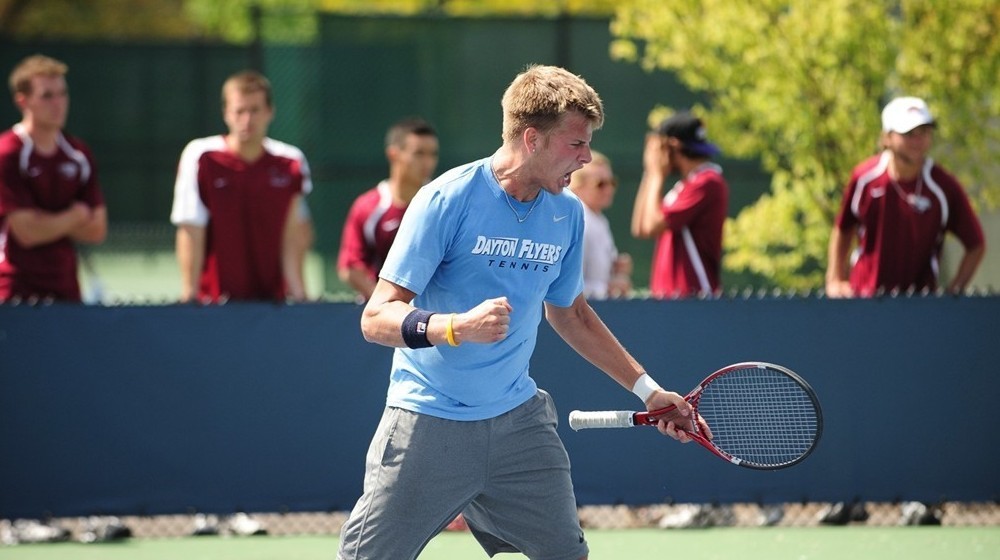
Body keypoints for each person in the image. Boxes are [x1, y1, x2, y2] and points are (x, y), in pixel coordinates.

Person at [337, 64, 704, 560]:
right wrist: (455, 327)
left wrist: (650, 391)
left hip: (518, 426)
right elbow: (375, 318)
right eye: (576, 144)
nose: (588, 157)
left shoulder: (567, 211)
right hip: (427, 422)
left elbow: (571, 314)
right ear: (532, 139)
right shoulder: (446, 199)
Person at [170, 69, 312, 303]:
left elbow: (294, 232)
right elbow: (190, 227)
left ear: (270, 112)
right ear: (226, 113)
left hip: (273, 304)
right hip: (213, 304)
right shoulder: (200, 156)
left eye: (255, 110)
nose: (247, 119)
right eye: (239, 111)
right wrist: (190, 295)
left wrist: (299, 294)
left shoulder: (292, 162)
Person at [826, 96, 985, 297]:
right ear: (887, 137)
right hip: (863, 302)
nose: (918, 141)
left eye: (925, 132)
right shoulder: (864, 178)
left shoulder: (944, 186)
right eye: (909, 134)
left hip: (920, 307)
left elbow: (976, 244)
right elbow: (843, 228)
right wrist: (835, 280)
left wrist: (954, 293)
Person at [0, 54, 107, 303]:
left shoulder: (78, 154)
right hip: (14, 288)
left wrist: (46, 222)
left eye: (63, 93)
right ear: (23, 101)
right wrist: (74, 217)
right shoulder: (8, 153)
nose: (58, 103)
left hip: (66, 289)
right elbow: (26, 232)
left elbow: (97, 230)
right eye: (47, 96)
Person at [337, 116, 439, 302]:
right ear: (394, 154)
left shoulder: (445, 203)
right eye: (419, 153)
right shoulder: (368, 207)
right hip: (385, 319)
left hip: (435, 317)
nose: (428, 162)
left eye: (432, 154)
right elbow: (350, 267)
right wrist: (386, 304)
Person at [631, 111, 729, 298]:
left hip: (693, 295)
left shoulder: (707, 181)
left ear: (672, 146)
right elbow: (640, 228)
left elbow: (653, 225)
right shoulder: (686, 185)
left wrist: (656, 174)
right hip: (671, 296)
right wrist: (651, 173)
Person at [567, 150, 632, 299]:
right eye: (600, 184)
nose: (609, 189)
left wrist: (617, 271)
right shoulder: (578, 221)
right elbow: (569, 287)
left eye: (612, 182)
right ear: (577, 186)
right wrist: (609, 288)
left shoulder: (598, 219)